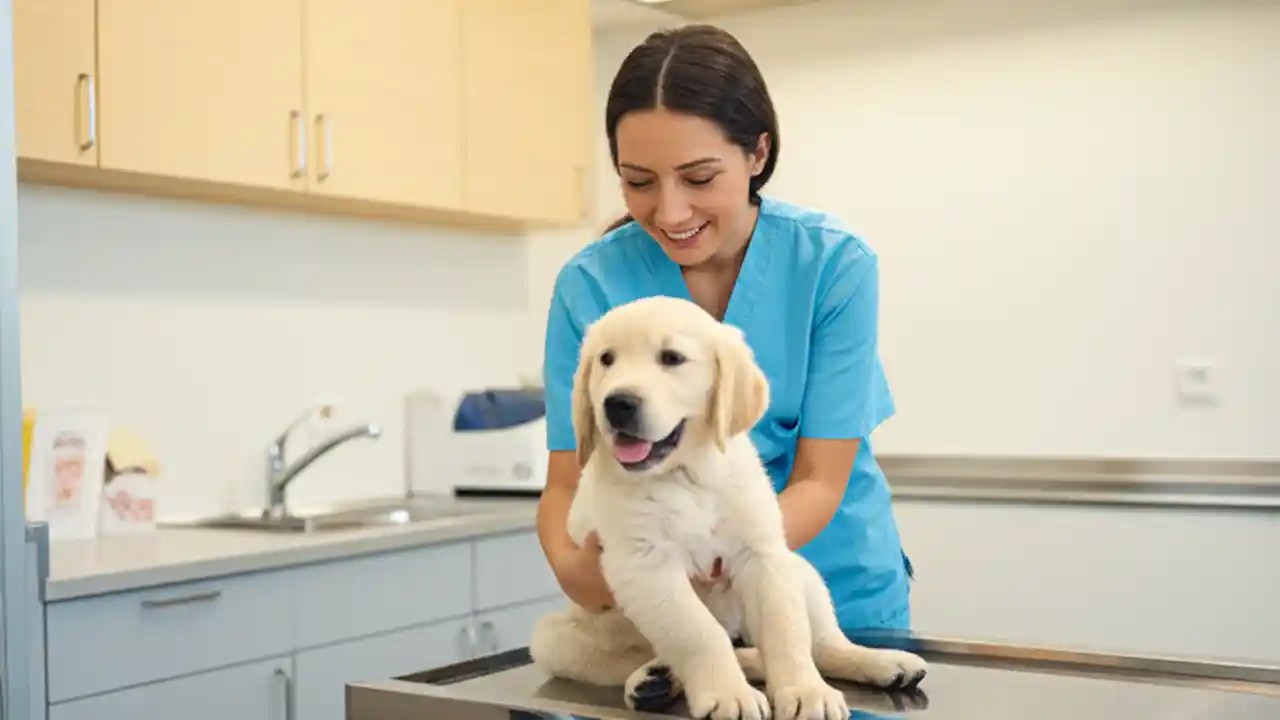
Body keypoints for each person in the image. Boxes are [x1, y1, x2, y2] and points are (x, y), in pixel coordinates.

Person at [536, 23, 914, 636]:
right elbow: (565, 478)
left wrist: (720, 560)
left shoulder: (831, 265)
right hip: (670, 609)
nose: (671, 211)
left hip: (832, 592)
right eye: (638, 182)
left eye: (699, 178)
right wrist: (573, 567)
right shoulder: (591, 284)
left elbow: (820, 479)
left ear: (757, 154)